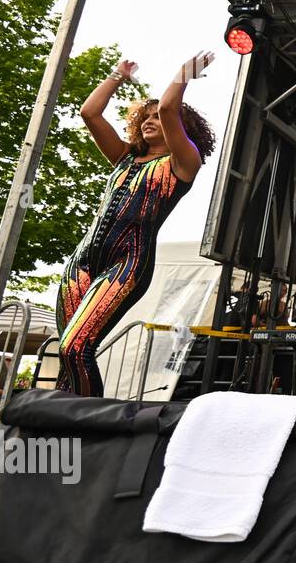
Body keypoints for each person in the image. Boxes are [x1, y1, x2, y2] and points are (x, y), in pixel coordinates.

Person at [57, 55, 217, 397]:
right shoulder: (124, 157)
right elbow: (90, 113)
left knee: (75, 347)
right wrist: (118, 75)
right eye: (144, 117)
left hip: (127, 263)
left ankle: (86, 428)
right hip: (80, 264)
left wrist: (185, 72)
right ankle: (57, 434)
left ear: (177, 128)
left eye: (157, 118)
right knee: (68, 359)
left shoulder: (182, 163)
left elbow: (171, 106)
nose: (150, 121)